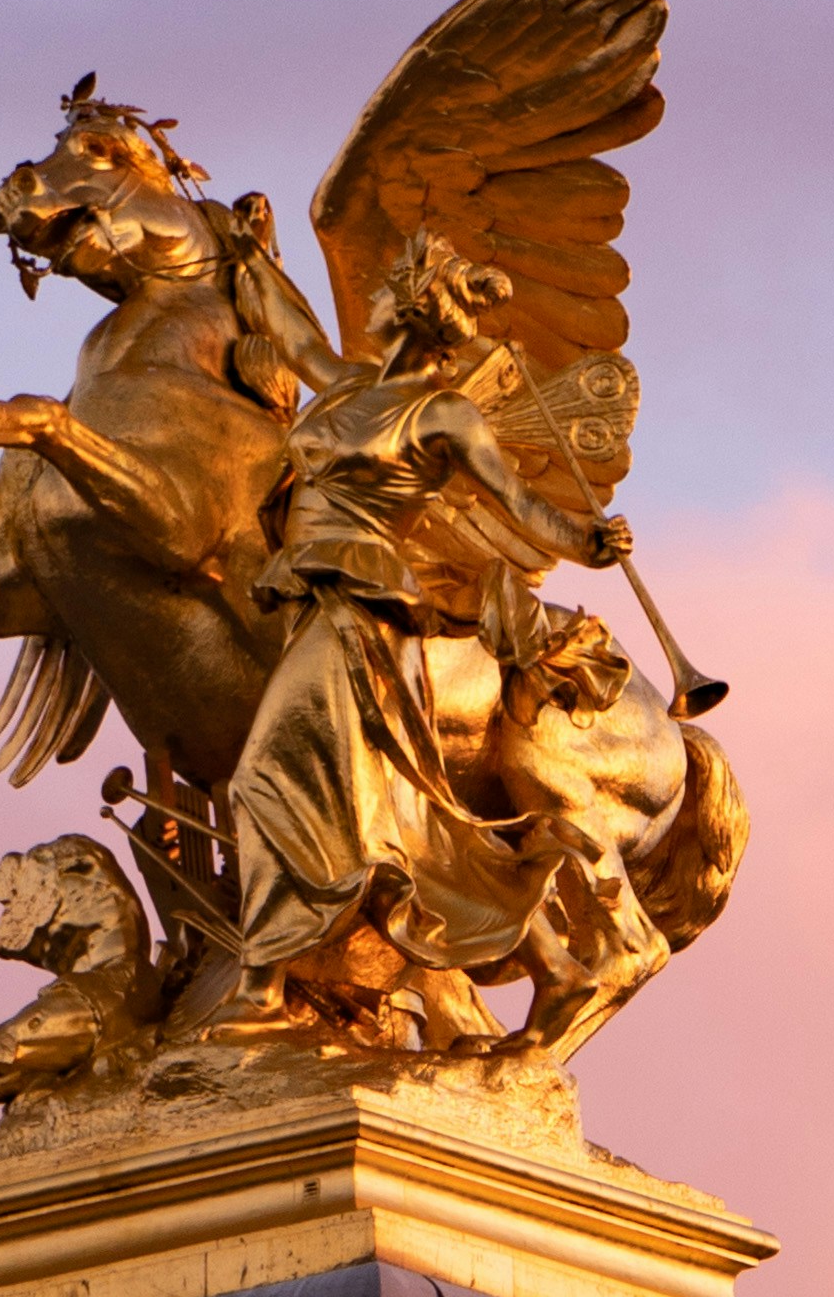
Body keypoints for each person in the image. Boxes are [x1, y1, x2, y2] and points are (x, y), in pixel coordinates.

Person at [209, 229, 627, 1057]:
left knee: (264, 776)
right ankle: (550, 962)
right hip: (316, 601)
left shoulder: (444, 414)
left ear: (411, 301)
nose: (367, 296)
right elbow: (293, 335)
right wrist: (249, 258)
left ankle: (260, 987)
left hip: (365, 615)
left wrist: (588, 541)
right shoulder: (346, 384)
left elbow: (515, 502)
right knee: (389, 814)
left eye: (385, 283)